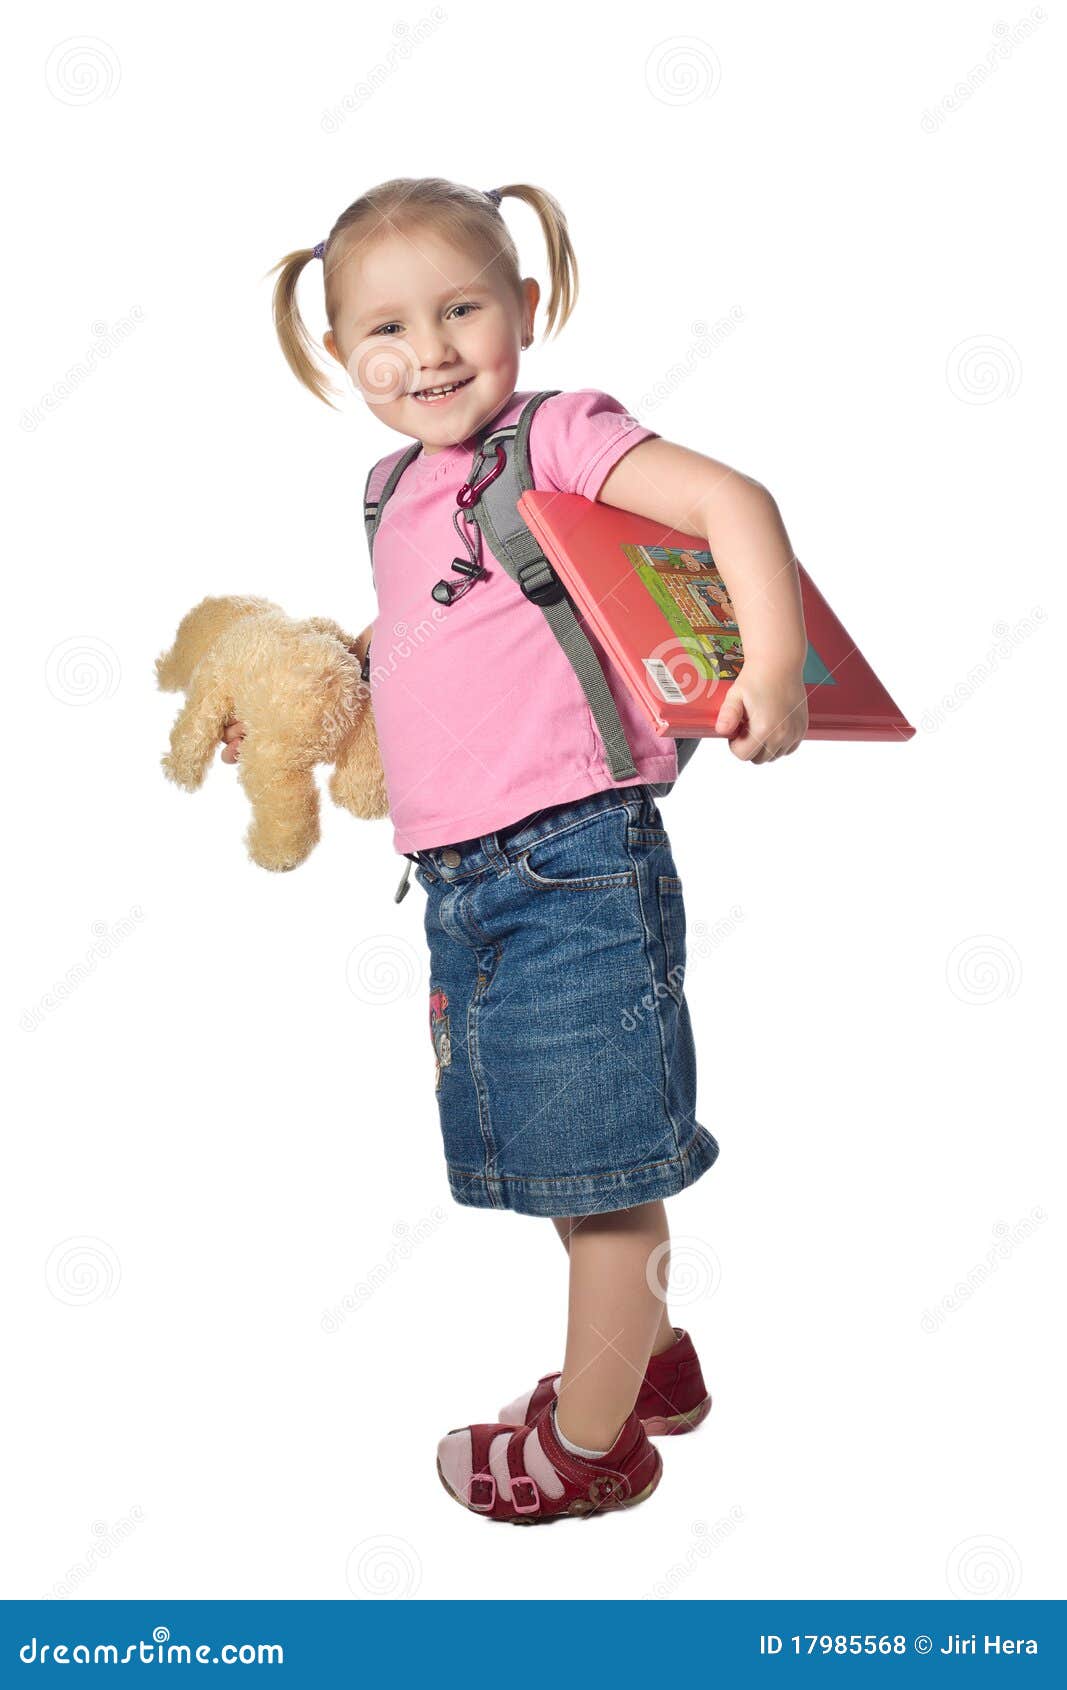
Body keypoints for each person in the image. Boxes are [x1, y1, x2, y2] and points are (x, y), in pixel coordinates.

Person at [224, 177, 808, 1523]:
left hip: (575, 864)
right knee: (570, 1158)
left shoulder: (554, 436)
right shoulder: (390, 490)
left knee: (606, 1190)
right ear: (336, 353)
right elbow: (429, 643)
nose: (424, 351)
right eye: (383, 328)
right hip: (464, 884)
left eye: (460, 309)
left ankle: (594, 1443)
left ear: (525, 310)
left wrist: (770, 666)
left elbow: (732, 498)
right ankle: (648, 1362)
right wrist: (317, 692)